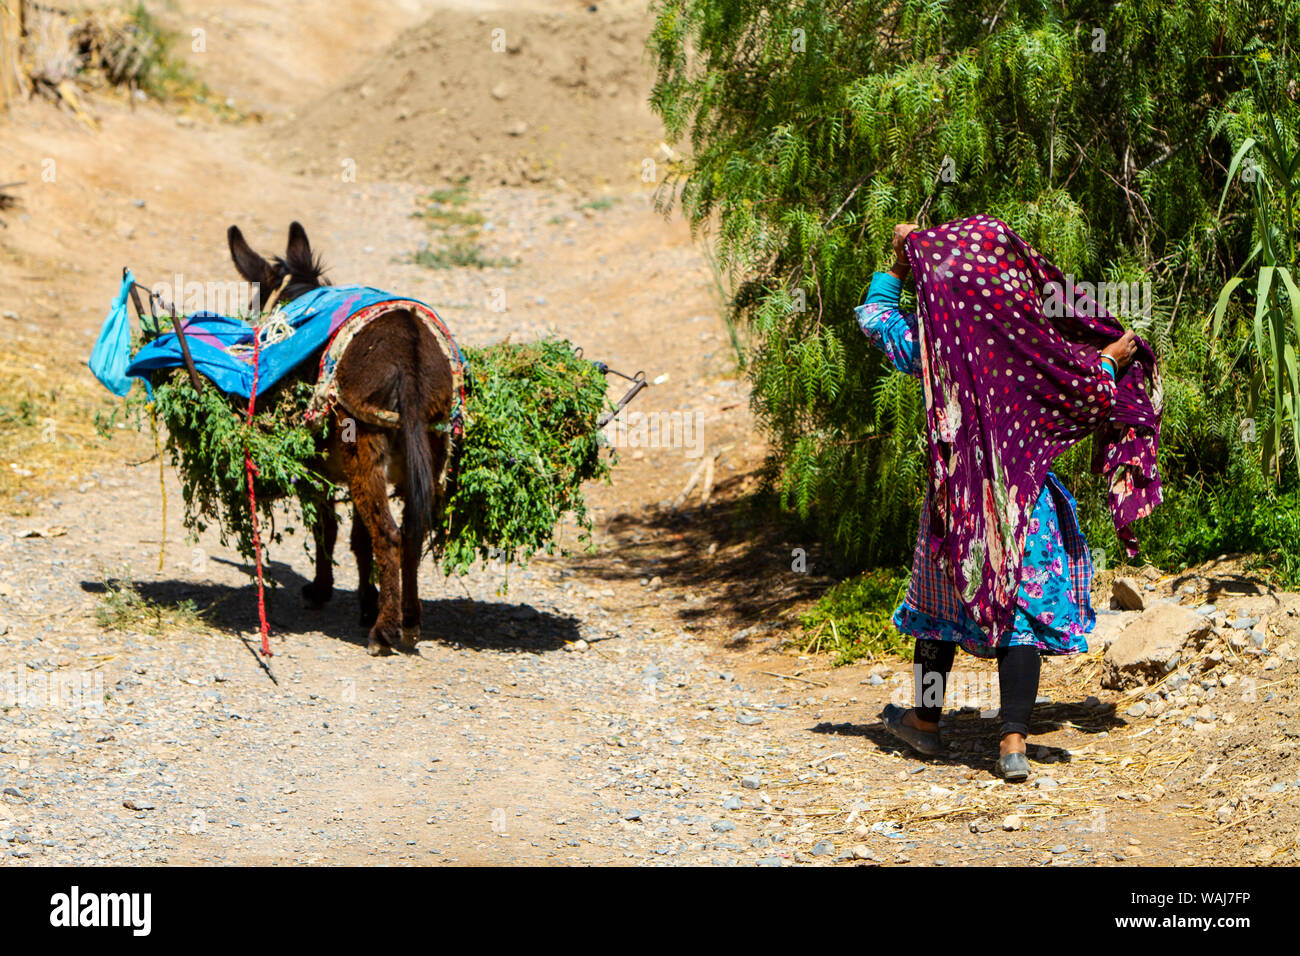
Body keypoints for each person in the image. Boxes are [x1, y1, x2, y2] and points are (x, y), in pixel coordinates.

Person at [858, 221, 1140, 781]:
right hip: (1024, 504)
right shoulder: (1035, 342)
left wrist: (900, 263)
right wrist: (1110, 360)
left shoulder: (939, 344)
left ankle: (925, 724)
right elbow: (1088, 393)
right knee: (1021, 618)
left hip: (957, 504)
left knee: (939, 616)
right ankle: (1012, 744)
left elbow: (876, 320)